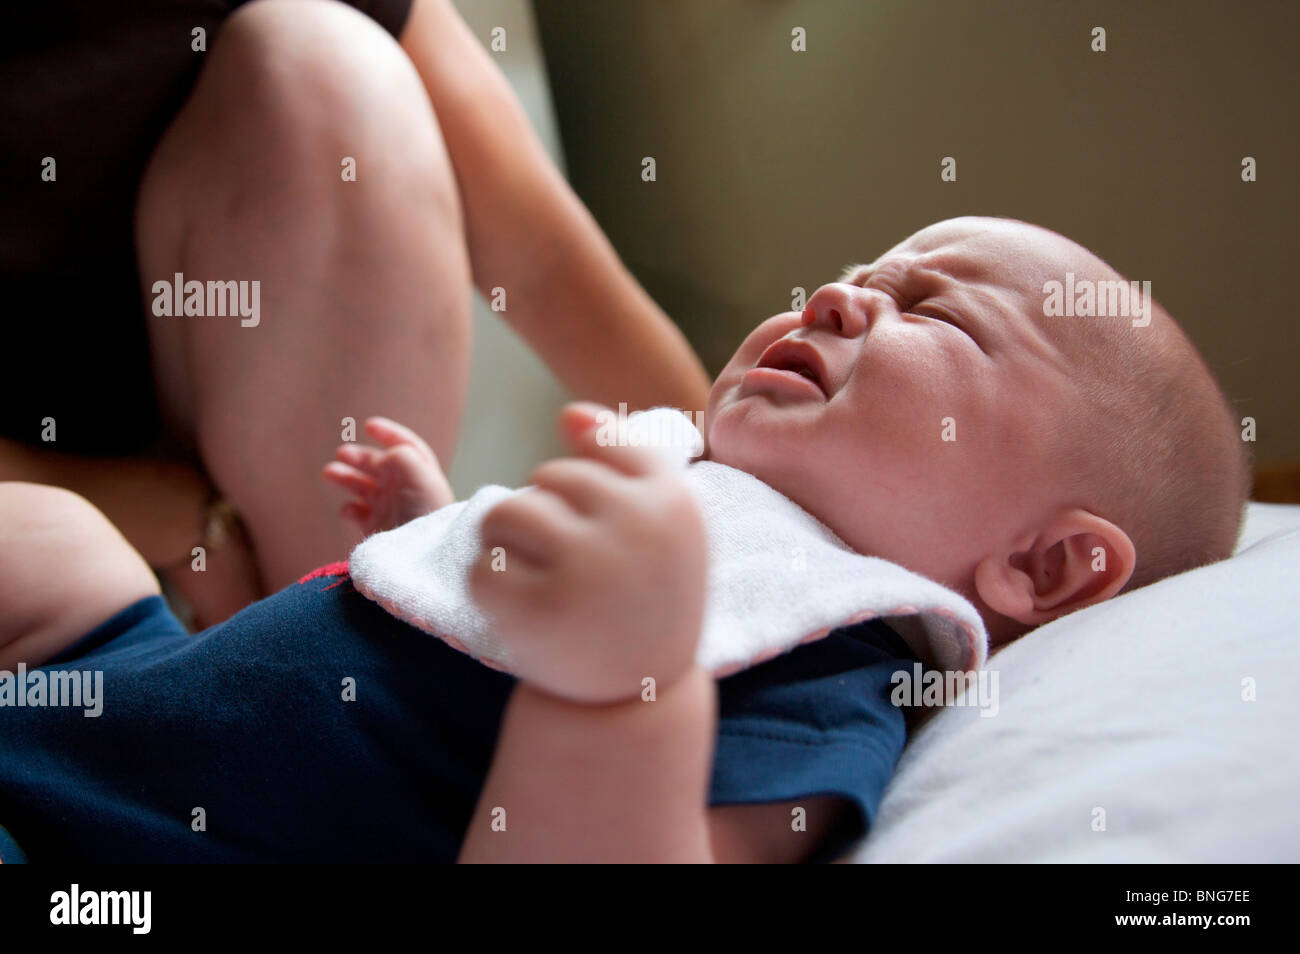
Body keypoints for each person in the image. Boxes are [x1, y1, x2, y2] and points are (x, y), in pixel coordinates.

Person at [0, 217, 1250, 862]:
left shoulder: (820, 664)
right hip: (123, 704)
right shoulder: (712, 503)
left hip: (113, 854)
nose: (834, 294)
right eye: (854, 271)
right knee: (57, 541)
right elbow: (454, 660)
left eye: (938, 315)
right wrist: (435, 533)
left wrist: (621, 692)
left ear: (1040, 567)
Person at [0, 0, 710, 627]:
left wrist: (736, 483)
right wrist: (174, 521)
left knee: (329, 64)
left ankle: (333, 657)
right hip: (55, 518)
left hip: (245, 507)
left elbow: (545, 265)